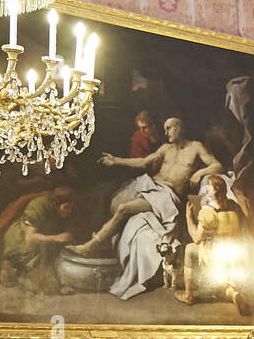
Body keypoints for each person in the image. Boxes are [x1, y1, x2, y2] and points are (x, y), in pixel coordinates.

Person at [69, 117, 224, 301]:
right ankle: (106, 244)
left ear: (179, 127)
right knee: (112, 200)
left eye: (169, 128)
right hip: (151, 186)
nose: (165, 133)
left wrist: (200, 172)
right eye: (165, 129)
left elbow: (217, 165)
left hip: (167, 196)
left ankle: (91, 246)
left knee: (124, 209)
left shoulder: (196, 147)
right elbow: (143, 162)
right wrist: (116, 160)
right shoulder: (165, 148)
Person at [176, 174, 253, 314]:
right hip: (235, 254)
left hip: (218, 255)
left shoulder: (208, 211)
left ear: (213, 190)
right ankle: (235, 296)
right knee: (225, 289)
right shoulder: (234, 206)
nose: (205, 190)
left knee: (189, 249)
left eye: (207, 187)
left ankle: (188, 295)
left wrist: (188, 217)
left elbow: (196, 238)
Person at [0, 187, 77, 295]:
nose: (70, 211)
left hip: (42, 245)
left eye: (71, 208)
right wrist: (57, 238)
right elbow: (30, 239)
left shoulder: (59, 210)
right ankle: (10, 268)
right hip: (20, 241)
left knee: (54, 282)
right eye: (66, 207)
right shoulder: (38, 206)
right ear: (56, 204)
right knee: (48, 289)